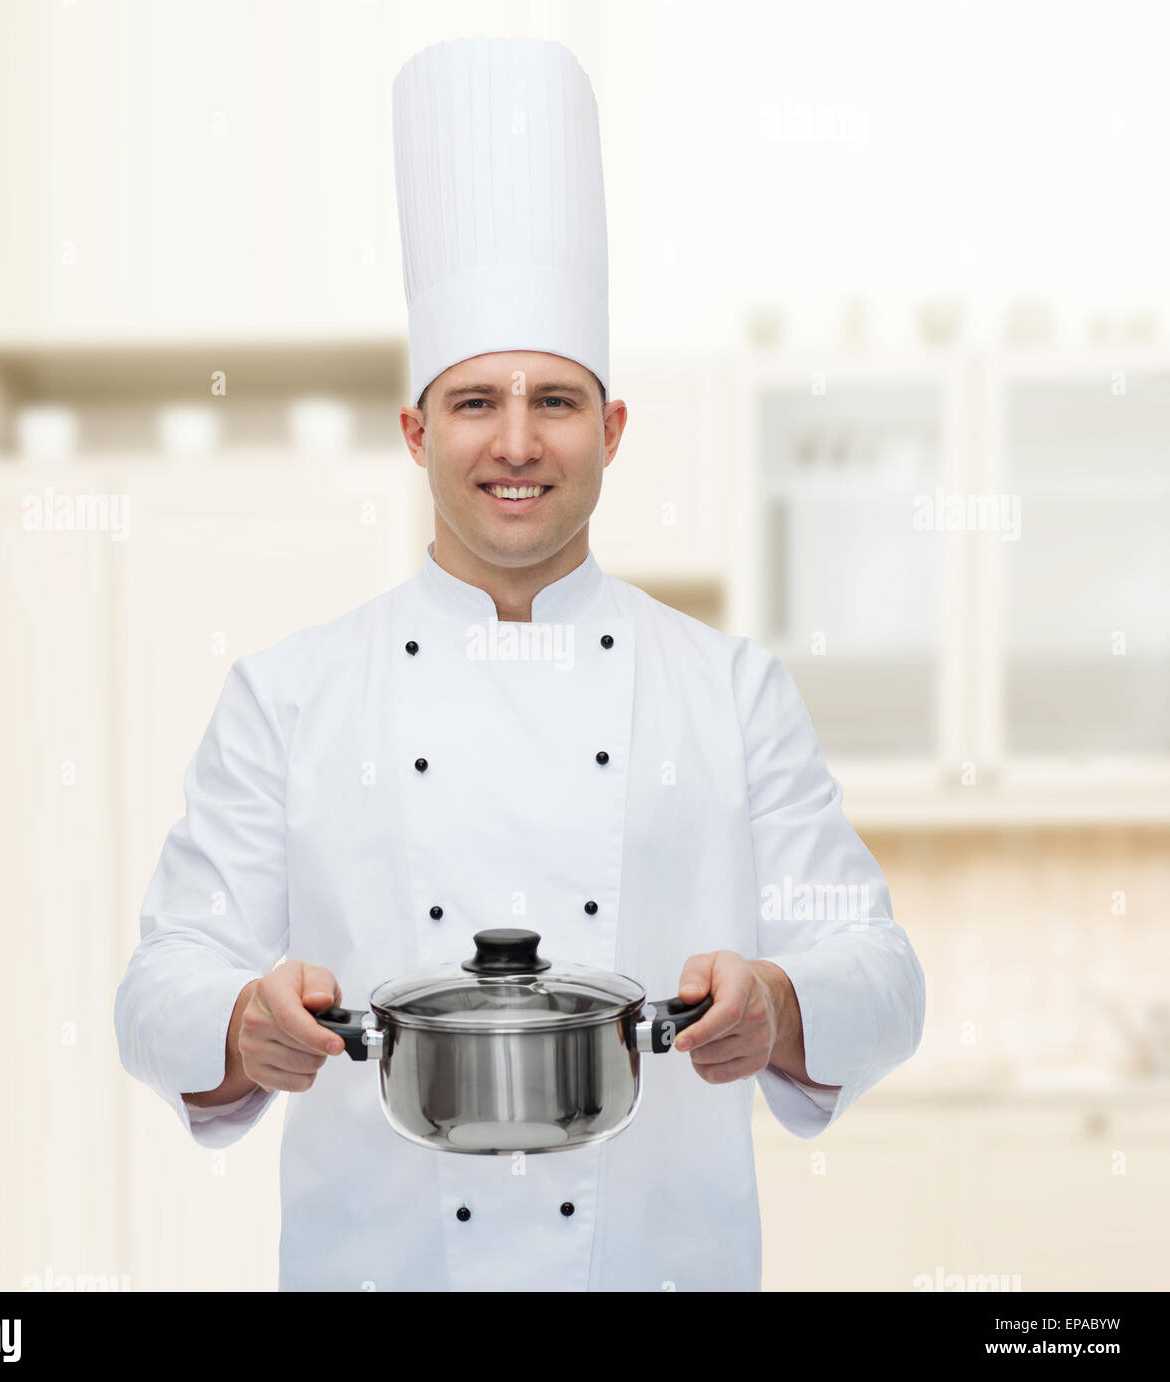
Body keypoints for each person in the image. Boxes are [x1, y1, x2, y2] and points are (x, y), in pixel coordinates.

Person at [114, 36, 924, 1292]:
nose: (515, 441)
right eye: (475, 399)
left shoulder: (727, 687)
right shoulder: (290, 693)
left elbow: (881, 970)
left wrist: (781, 999)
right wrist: (236, 1022)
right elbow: (158, 978)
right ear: (414, 429)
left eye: (554, 400)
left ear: (608, 430)